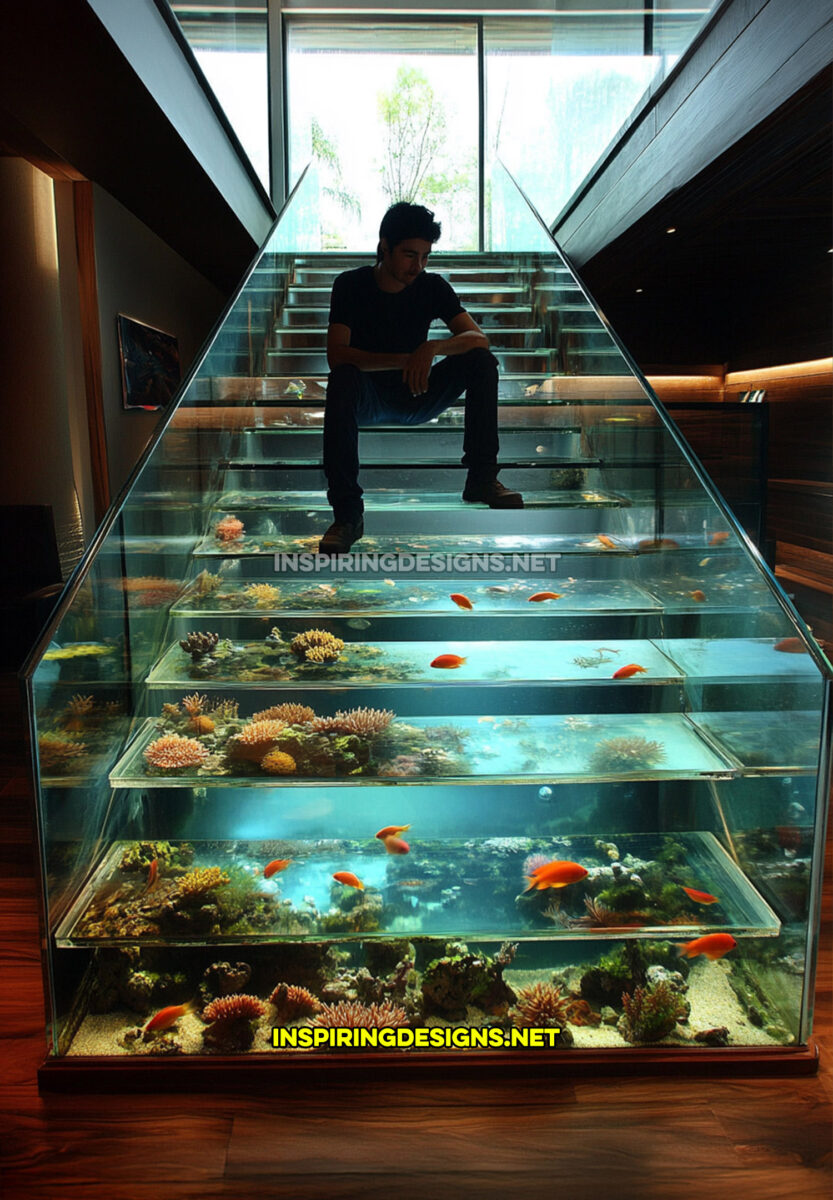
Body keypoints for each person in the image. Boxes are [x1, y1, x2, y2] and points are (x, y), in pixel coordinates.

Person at [319, 202, 523, 554]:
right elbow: (337, 354)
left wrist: (432, 348)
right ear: (384, 247)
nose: (418, 266)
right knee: (342, 378)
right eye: (409, 255)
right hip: (369, 398)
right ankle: (347, 514)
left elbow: (478, 338)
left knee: (481, 361)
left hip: (419, 393)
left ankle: (481, 479)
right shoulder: (351, 285)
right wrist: (405, 359)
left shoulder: (432, 287)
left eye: (426, 256)